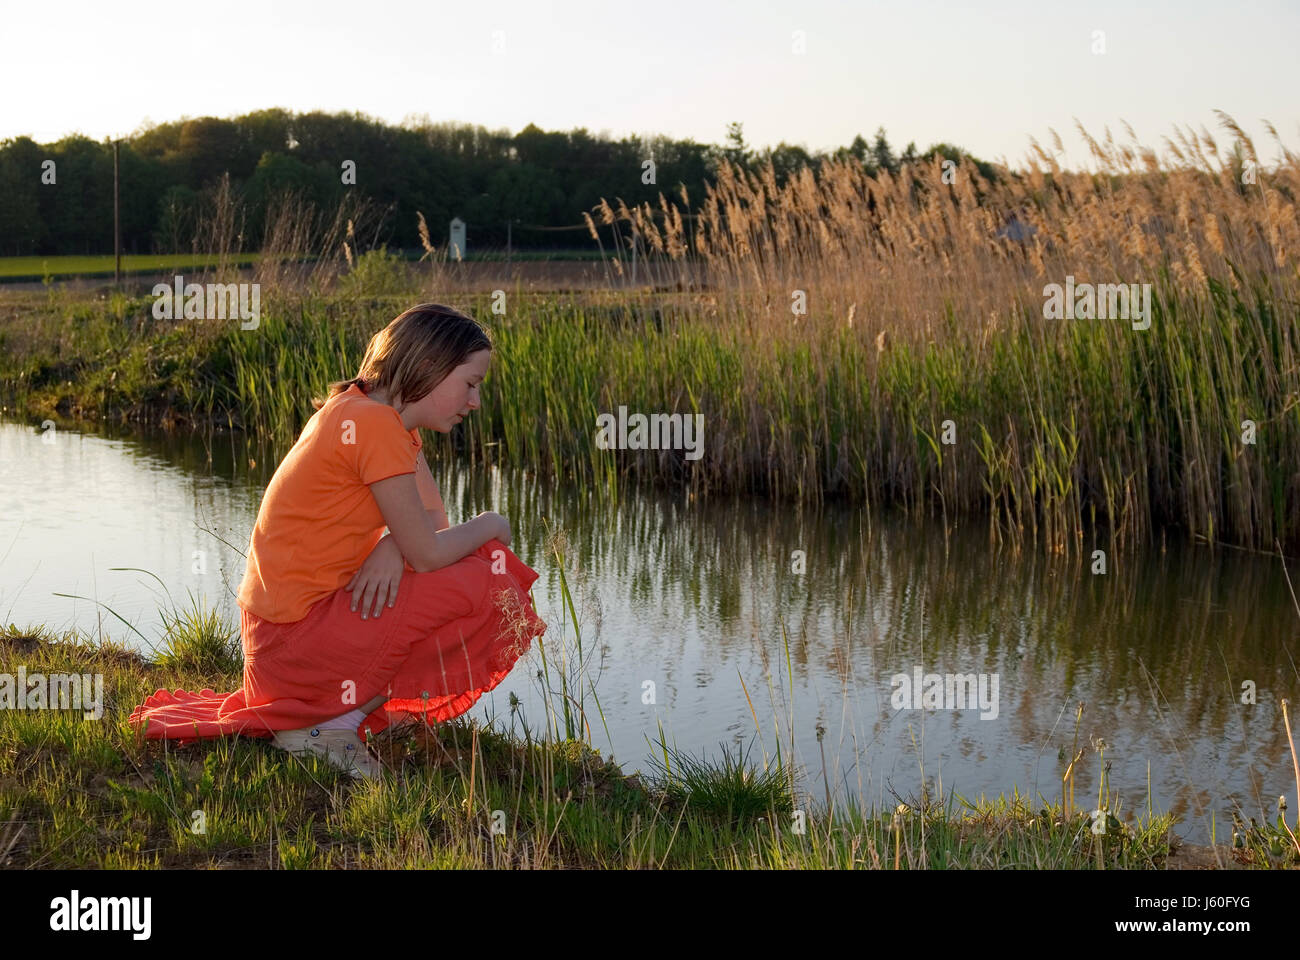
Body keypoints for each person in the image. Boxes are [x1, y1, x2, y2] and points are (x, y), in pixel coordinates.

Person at [128, 303, 546, 778]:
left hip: (280, 645)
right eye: (470, 384)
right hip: (294, 645)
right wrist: (492, 522)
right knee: (491, 575)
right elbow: (430, 553)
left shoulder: (364, 411)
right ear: (429, 365)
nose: (474, 402)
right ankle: (323, 726)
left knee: (480, 567)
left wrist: (393, 544)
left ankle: (332, 712)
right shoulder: (374, 426)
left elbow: (432, 519)